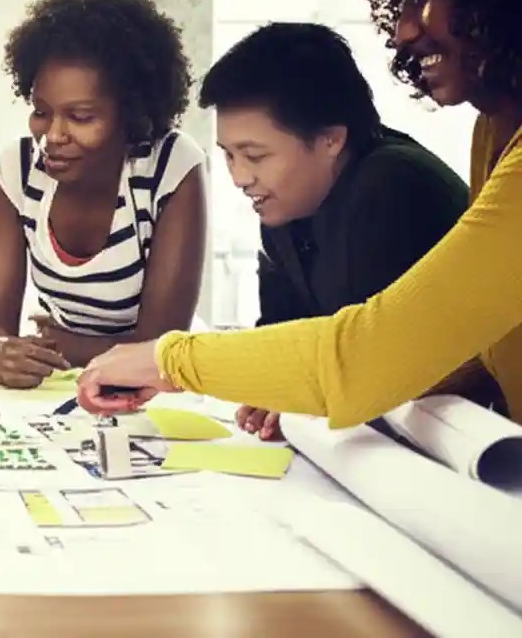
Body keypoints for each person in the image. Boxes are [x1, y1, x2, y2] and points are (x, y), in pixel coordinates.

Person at [76, 0, 522, 428]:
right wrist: (281, 380)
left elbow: (367, 358)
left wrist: (167, 359)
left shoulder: (393, 186)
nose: (403, 30)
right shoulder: (493, 129)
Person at [201, 22, 469, 438]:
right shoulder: (286, 200)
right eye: (229, 155)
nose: (239, 177)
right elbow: (280, 334)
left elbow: (374, 361)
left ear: (330, 139)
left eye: (255, 155)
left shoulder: (396, 186)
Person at [0, 0, 208, 389]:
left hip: (163, 389)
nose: (53, 135)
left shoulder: (171, 166)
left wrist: (64, 346)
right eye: (42, 112)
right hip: (67, 387)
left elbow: (158, 348)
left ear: (131, 115)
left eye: (80, 117)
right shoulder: (19, 167)